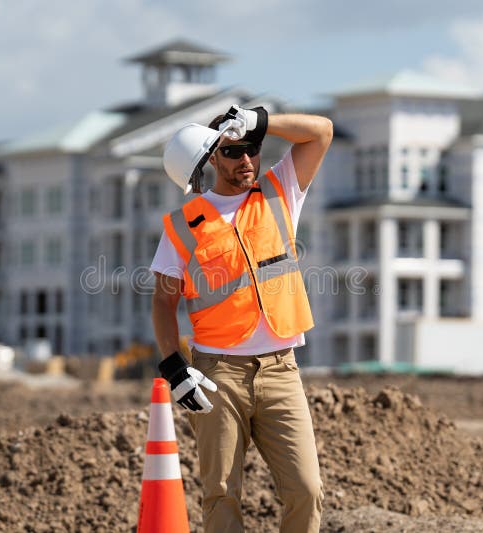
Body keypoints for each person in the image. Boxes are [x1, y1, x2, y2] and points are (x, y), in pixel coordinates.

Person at [150, 104, 333, 533]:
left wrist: (257, 120)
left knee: (306, 489)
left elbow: (321, 132)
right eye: (233, 152)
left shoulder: (279, 192)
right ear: (213, 157)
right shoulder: (183, 224)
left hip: (280, 369)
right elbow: (162, 304)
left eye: (252, 149)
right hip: (218, 374)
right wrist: (176, 369)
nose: (246, 159)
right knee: (222, 496)